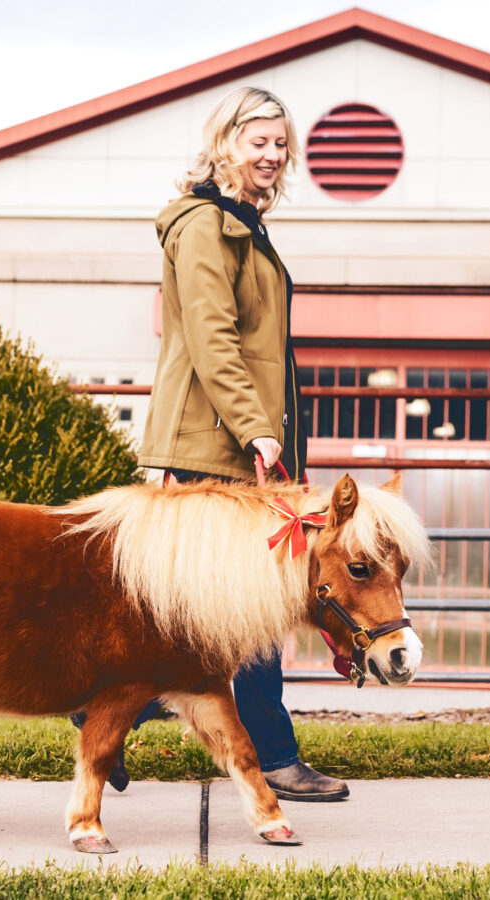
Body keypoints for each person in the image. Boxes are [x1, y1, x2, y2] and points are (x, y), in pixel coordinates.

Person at [79, 86, 347, 803]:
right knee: (221, 609)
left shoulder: (244, 226)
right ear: (225, 143)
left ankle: (110, 717)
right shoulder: (204, 226)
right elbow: (211, 338)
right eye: (259, 141)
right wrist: (257, 427)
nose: (273, 155)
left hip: (240, 441)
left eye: (282, 143)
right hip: (213, 443)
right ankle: (264, 753)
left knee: (226, 610)